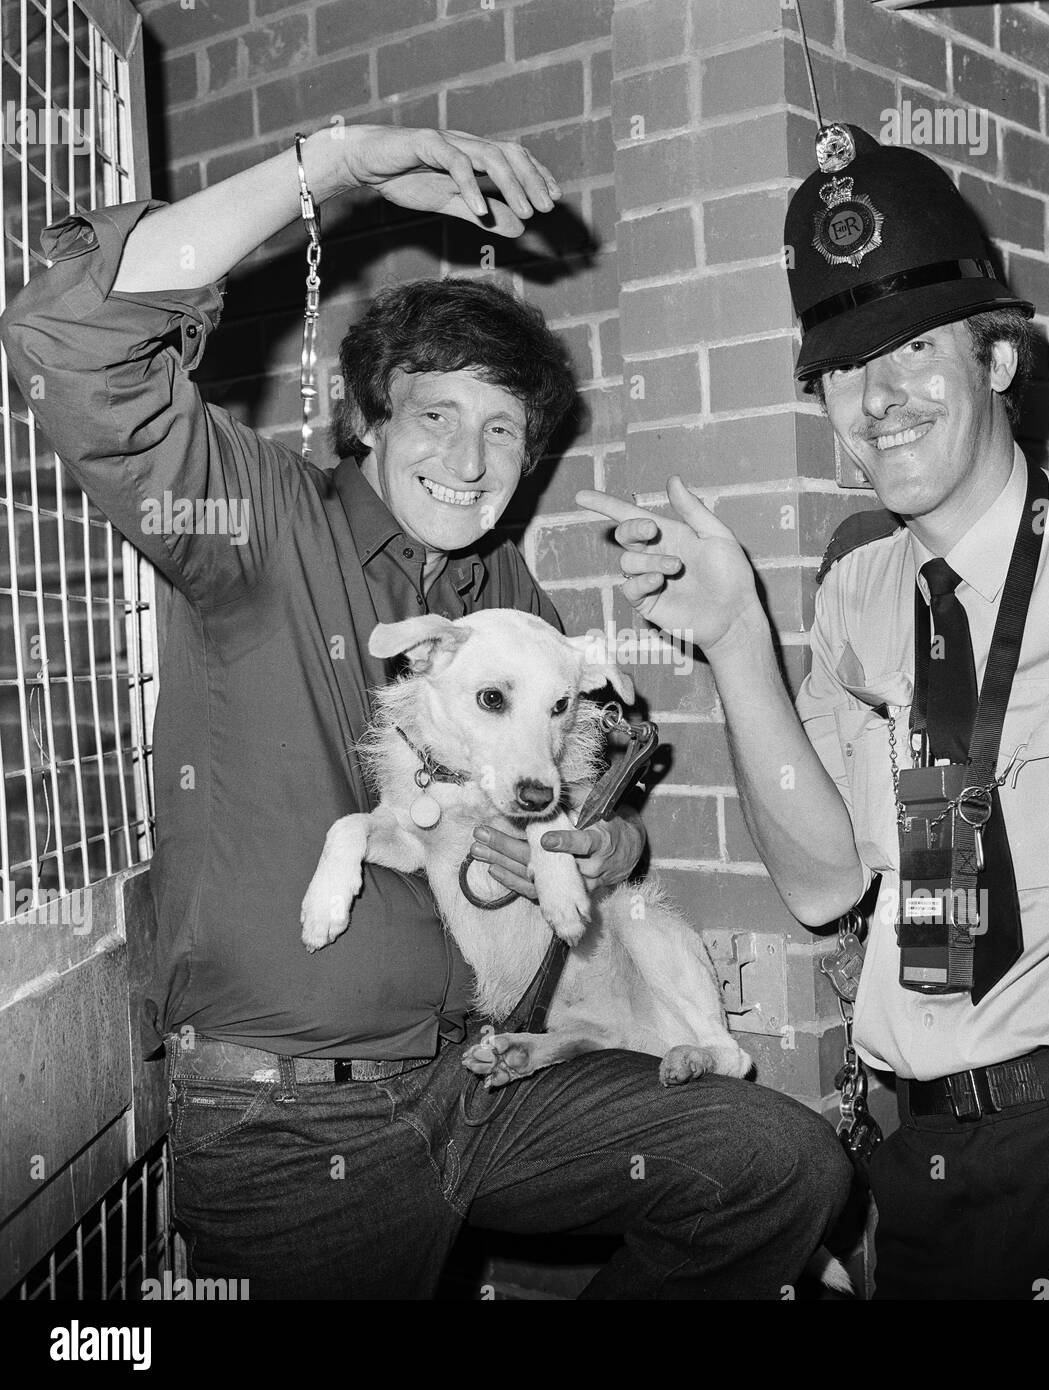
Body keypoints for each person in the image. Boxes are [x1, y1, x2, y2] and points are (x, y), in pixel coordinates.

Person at [0, 121, 850, 1299]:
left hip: (484, 1085)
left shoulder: (507, 593)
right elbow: (68, 336)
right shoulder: (257, 522)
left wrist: (603, 843)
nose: (470, 453)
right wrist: (332, 167)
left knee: (775, 1162)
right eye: (435, 414)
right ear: (368, 420)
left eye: (504, 427)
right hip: (293, 1122)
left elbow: (604, 793)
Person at [580, 122, 1049, 1300]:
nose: (878, 396)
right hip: (932, 1171)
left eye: (914, 347)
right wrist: (741, 643)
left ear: (999, 360)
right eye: (846, 365)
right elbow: (823, 882)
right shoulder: (858, 596)